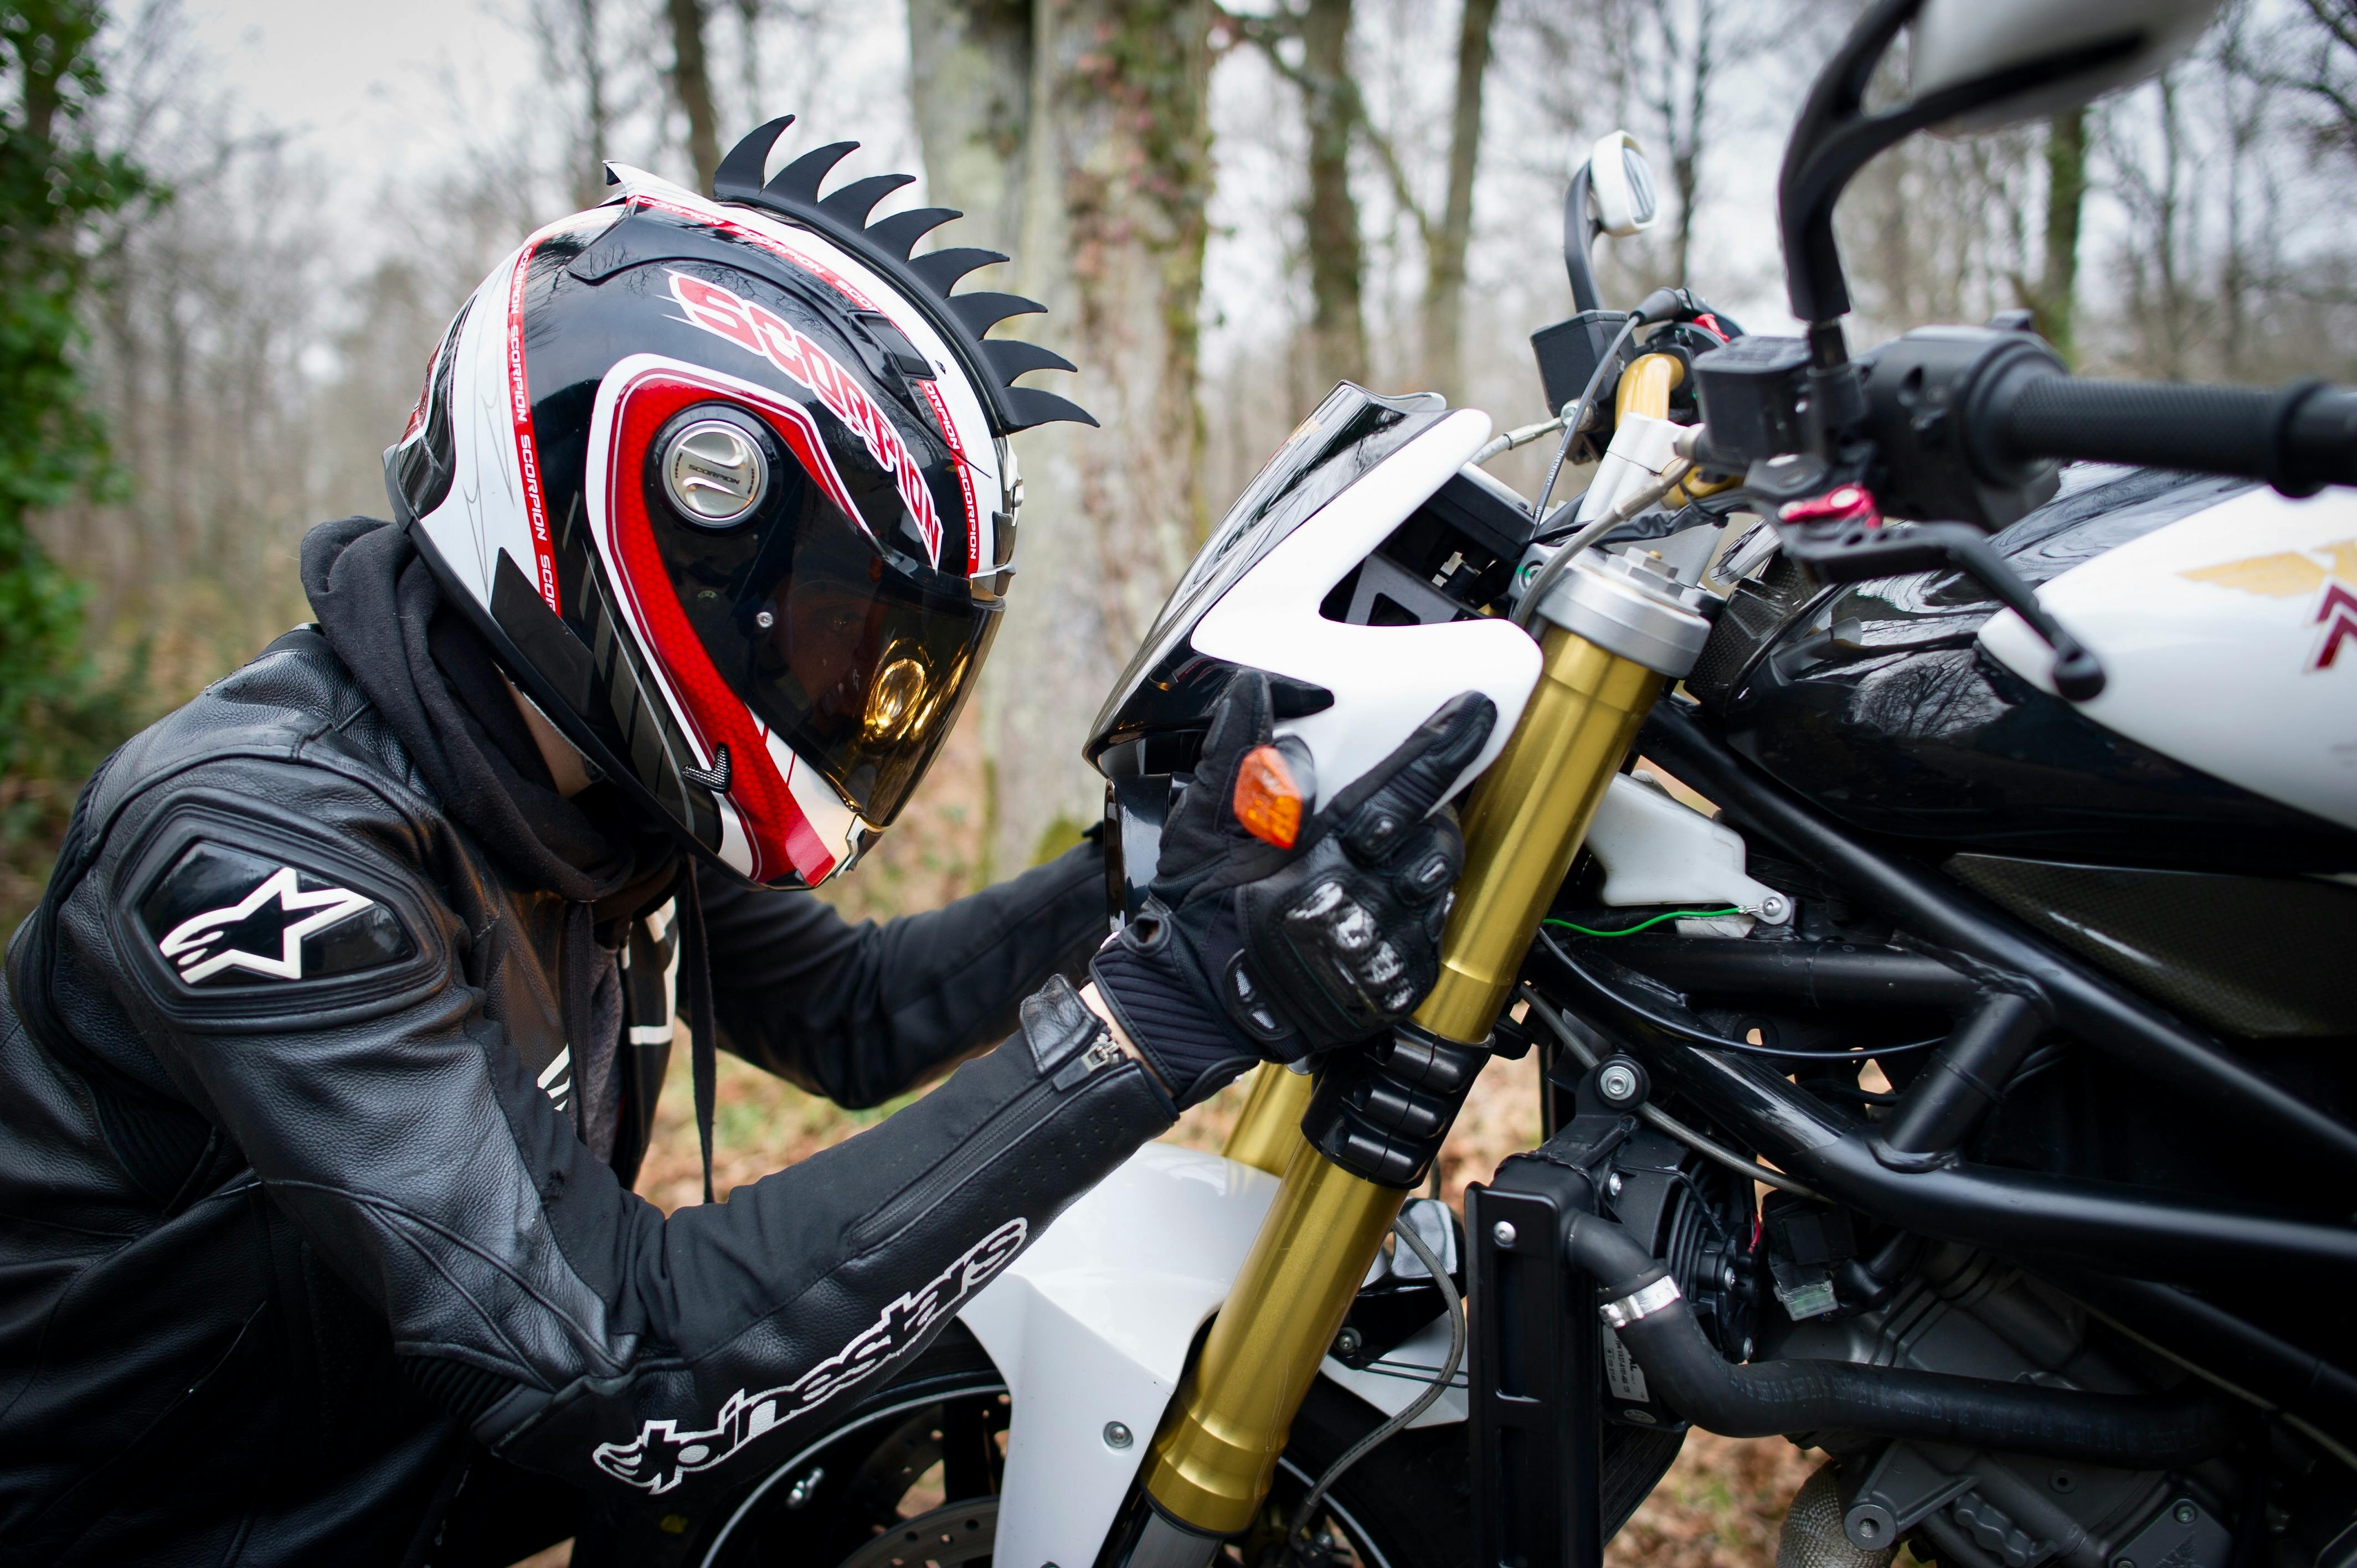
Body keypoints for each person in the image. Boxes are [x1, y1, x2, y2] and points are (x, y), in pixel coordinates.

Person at [0, 120, 1489, 1567]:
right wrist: (1160, 1018)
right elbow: (605, 1365)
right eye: (842, 637)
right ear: (662, 529)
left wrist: (1145, 862)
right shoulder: (261, 847)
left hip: (399, 1483)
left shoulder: (585, 771)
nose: (866, 697)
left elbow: (859, 1015)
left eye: (900, 661)